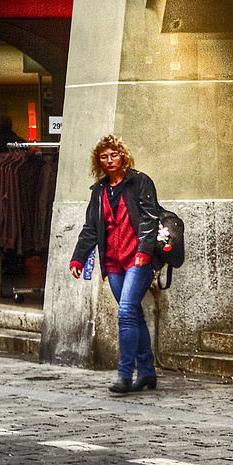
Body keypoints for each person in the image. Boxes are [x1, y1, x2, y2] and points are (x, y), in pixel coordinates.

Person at [69, 135, 164, 394]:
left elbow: (150, 217)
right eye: (104, 156)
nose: (110, 160)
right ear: (98, 161)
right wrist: (78, 257)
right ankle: (146, 373)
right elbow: (91, 228)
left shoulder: (140, 182)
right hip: (112, 260)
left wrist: (145, 250)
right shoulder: (99, 191)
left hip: (137, 258)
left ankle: (125, 375)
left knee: (125, 313)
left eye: (114, 155)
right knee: (133, 314)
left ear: (123, 156)